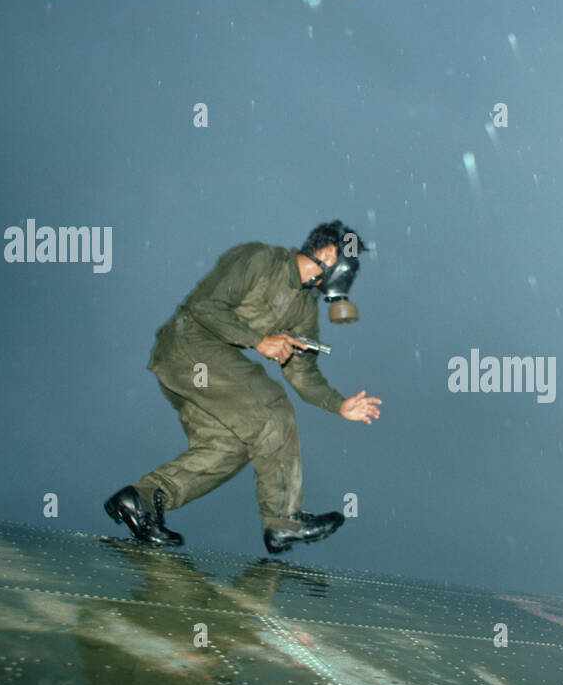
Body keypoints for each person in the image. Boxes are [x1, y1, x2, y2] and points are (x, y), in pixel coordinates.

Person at [105, 220, 382, 554]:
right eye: (350, 262)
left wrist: (338, 404)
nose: (352, 272)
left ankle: (142, 500)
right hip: (189, 347)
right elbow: (204, 306)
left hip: (199, 375)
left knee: (233, 445)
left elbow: (303, 374)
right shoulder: (261, 259)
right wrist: (259, 340)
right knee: (270, 407)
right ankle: (284, 520)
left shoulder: (305, 307)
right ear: (328, 252)